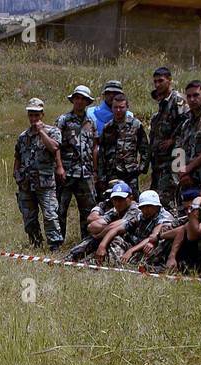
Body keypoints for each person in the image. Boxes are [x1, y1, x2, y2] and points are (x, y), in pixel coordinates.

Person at [13, 98, 65, 250]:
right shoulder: (23, 136)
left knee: (50, 215)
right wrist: (16, 174)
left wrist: (41, 131)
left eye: (36, 115)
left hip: (45, 183)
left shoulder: (53, 132)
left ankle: (54, 245)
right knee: (29, 217)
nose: (33, 118)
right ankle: (36, 243)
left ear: (42, 115)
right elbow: (17, 156)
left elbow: (54, 148)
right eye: (31, 115)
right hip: (26, 183)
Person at [55, 85, 100, 242]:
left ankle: (86, 242)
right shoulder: (63, 120)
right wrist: (59, 166)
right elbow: (56, 146)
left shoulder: (91, 122)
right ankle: (57, 241)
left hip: (85, 173)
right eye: (77, 98)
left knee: (88, 210)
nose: (80, 101)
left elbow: (95, 147)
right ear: (73, 100)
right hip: (66, 172)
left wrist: (95, 171)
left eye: (83, 99)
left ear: (87, 102)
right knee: (60, 208)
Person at [92, 189, 174, 266]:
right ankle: (114, 263)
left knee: (150, 250)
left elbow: (153, 237)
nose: (145, 210)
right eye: (143, 207)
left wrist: (131, 251)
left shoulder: (165, 217)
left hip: (151, 247)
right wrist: (102, 246)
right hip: (136, 245)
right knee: (116, 239)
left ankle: (126, 263)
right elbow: (117, 229)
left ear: (156, 206)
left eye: (149, 207)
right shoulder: (140, 216)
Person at [149, 66, 191, 207]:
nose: (157, 85)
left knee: (171, 194)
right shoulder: (163, 103)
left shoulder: (177, 100)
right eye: (155, 81)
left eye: (160, 81)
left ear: (170, 80)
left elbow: (187, 124)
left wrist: (173, 140)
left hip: (175, 156)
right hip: (161, 160)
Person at [97, 92, 150, 198]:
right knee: (112, 201)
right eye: (115, 107)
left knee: (132, 200)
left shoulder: (136, 125)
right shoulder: (107, 127)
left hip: (130, 172)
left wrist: (142, 168)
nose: (118, 110)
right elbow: (101, 152)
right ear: (111, 108)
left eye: (121, 107)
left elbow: (144, 148)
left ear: (127, 107)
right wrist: (101, 175)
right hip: (112, 172)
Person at [66, 181, 135, 262]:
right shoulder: (114, 210)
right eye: (115, 199)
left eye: (121, 199)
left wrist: (101, 234)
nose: (117, 202)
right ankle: (71, 258)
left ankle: (98, 262)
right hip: (112, 238)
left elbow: (116, 228)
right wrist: (108, 230)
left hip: (130, 243)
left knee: (115, 239)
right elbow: (92, 226)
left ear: (130, 198)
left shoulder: (135, 209)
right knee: (93, 238)